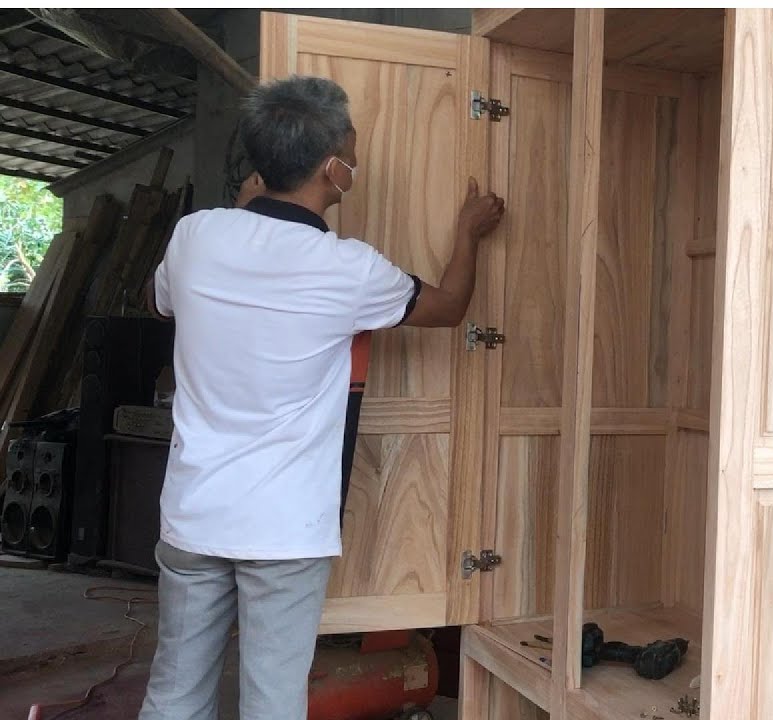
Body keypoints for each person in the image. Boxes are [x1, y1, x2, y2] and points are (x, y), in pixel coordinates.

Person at [139, 75, 505, 720]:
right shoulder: (349, 268)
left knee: (174, 691)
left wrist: (239, 219)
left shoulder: (195, 236)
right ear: (335, 169)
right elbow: (447, 309)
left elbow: (157, 301)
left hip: (193, 514)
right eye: (353, 154)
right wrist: (468, 234)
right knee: (273, 699)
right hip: (283, 530)